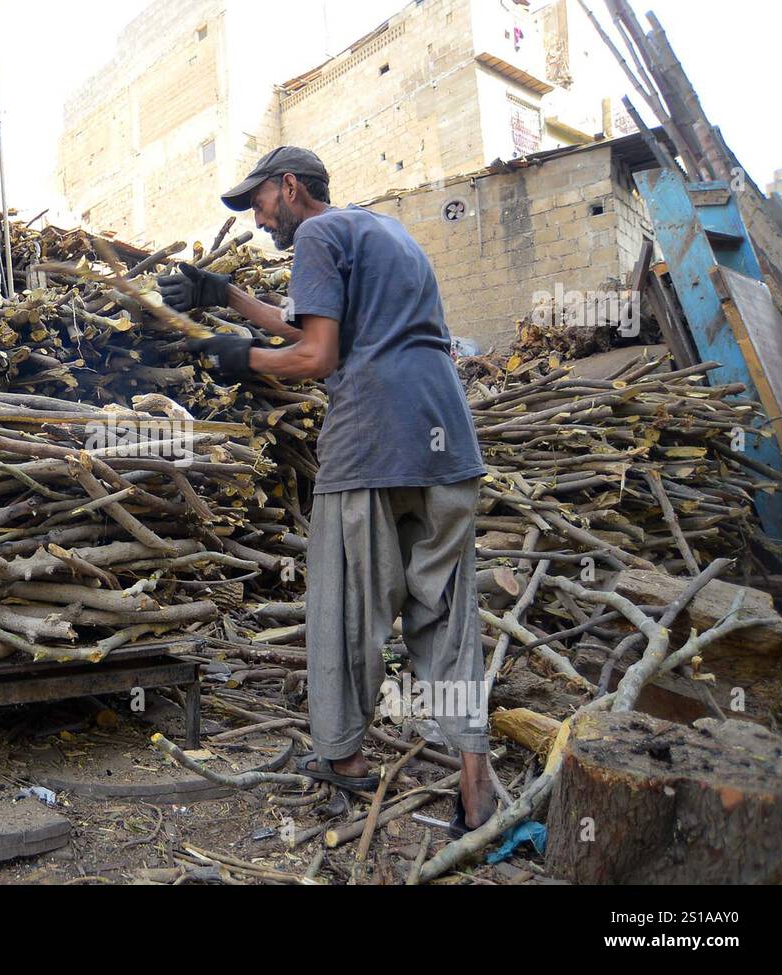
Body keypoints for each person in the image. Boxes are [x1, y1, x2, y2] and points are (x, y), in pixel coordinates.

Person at [157, 146, 497, 833]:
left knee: (346, 609)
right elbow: (316, 321)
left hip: (372, 442)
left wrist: (239, 355)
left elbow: (317, 354)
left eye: (258, 200)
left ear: (290, 187)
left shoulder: (314, 233)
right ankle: (477, 785)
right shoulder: (379, 230)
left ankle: (343, 761)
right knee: (449, 615)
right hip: (446, 442)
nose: (257, 217)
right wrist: (224, 295)